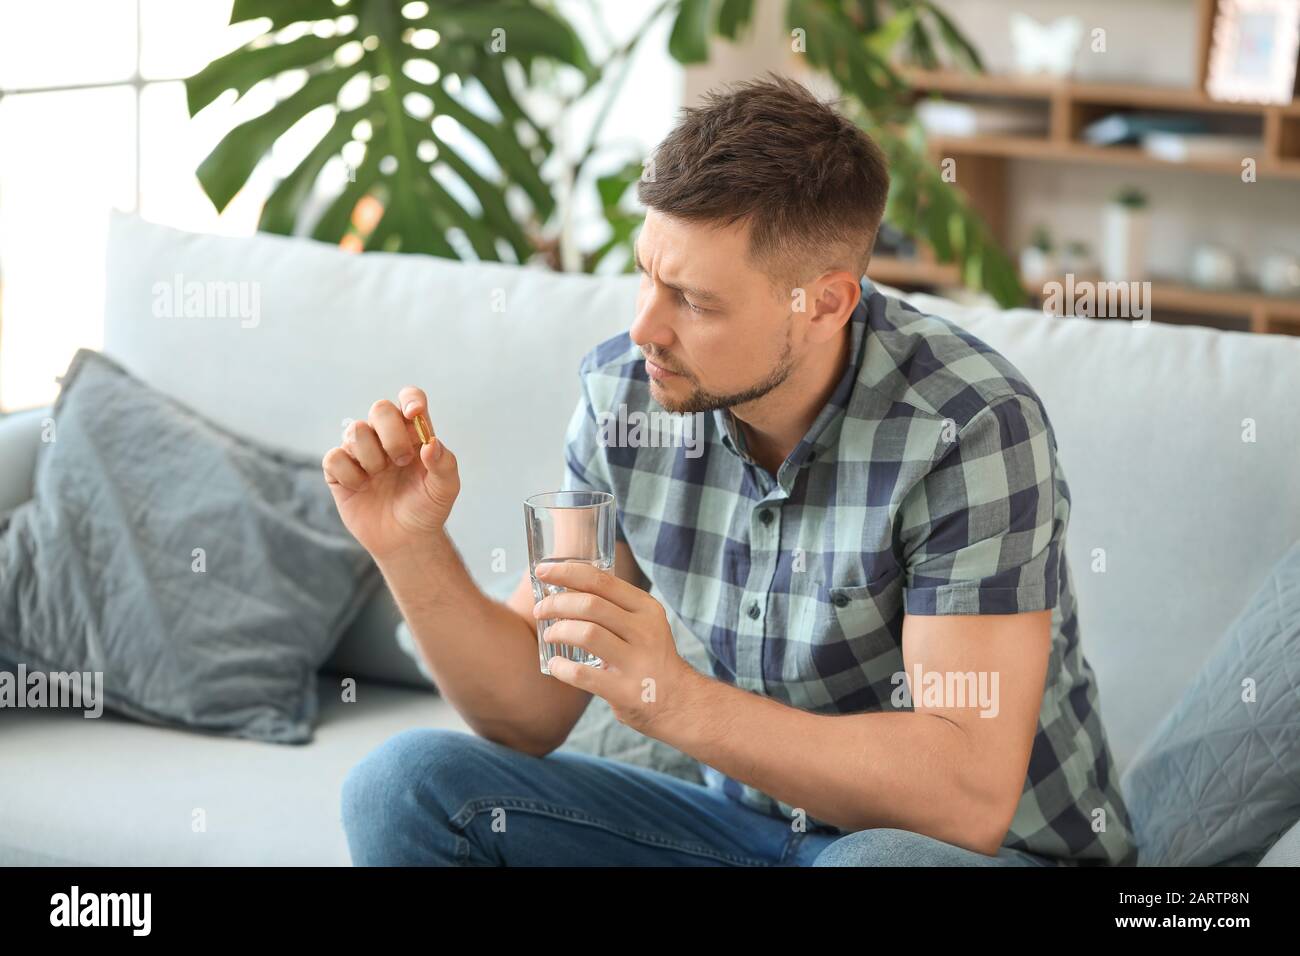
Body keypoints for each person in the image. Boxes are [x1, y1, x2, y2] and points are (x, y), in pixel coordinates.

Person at [323, 75, 1137, 867]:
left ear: (823, 305)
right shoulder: (626, 399)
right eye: (647, 274)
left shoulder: (967, 427)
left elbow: (966, 798)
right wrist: (409, 546)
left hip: (962, 852)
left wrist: (672, 699)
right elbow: (529, 712)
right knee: (407, 786)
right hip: (739, 825)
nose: (644, 327)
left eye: (695, 302)